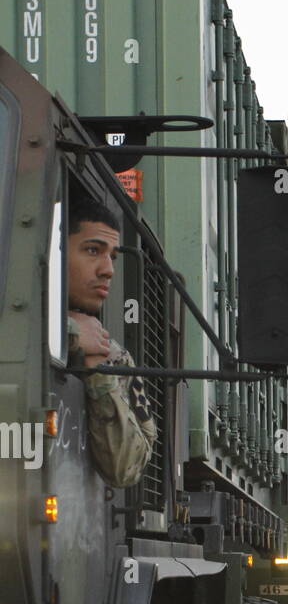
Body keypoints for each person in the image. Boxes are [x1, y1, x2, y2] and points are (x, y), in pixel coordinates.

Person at [67, 196, 156, 488]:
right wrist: (64, 332)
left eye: (112, 257)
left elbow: (126, 469)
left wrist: (98, 371)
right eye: (93, 250)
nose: (108, 270)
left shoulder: (113, 357)